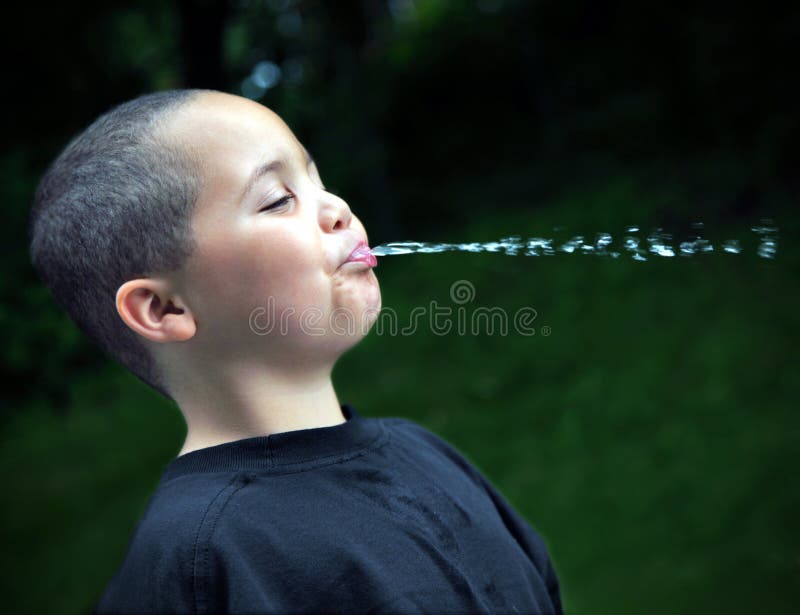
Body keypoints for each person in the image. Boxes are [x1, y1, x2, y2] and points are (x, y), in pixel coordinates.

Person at [28, 89, 563, 614]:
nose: (337, 209)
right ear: (164, 309)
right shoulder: (202, 562)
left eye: (317, 178)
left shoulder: (424, 453)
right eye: (279, 199)